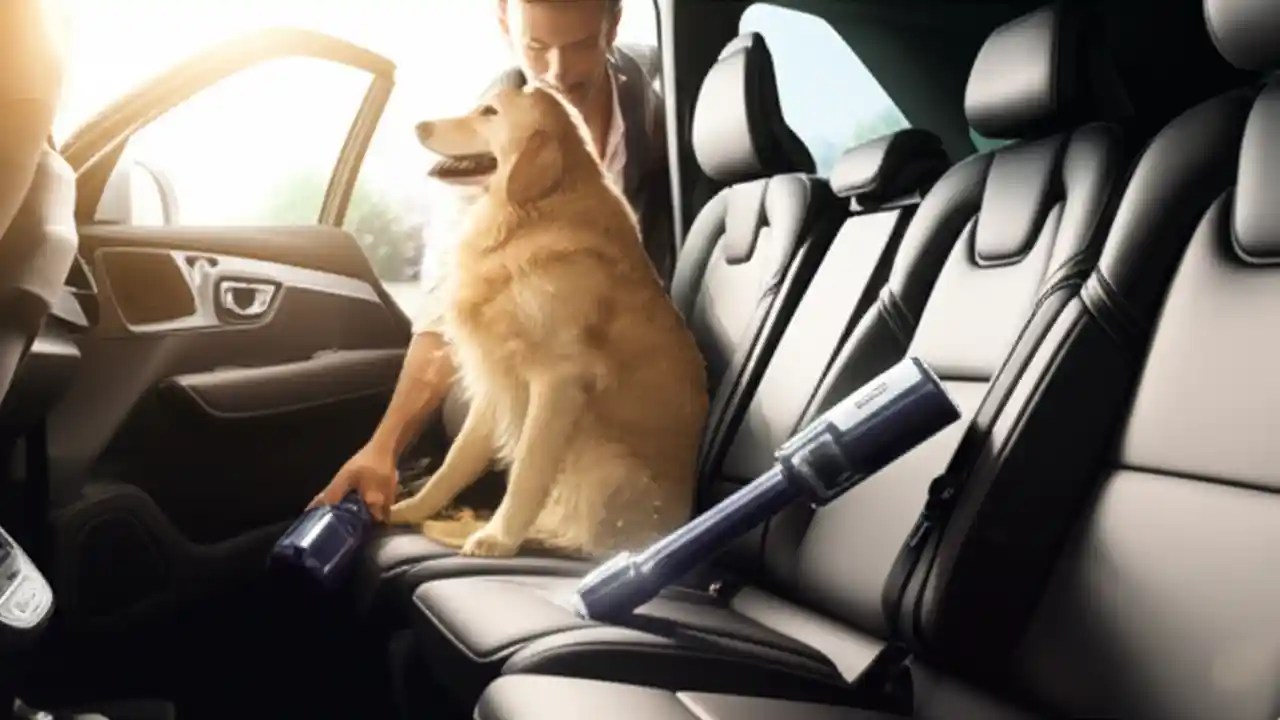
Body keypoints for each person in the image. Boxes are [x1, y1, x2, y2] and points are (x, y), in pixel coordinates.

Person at [309, 0, 672, 520]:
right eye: (537, 47)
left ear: (612, 26)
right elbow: (449, 314)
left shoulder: (670, 126)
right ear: (504, 21)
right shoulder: (480, 146)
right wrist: (383, 448)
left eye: (579, 47)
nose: (557, 73)